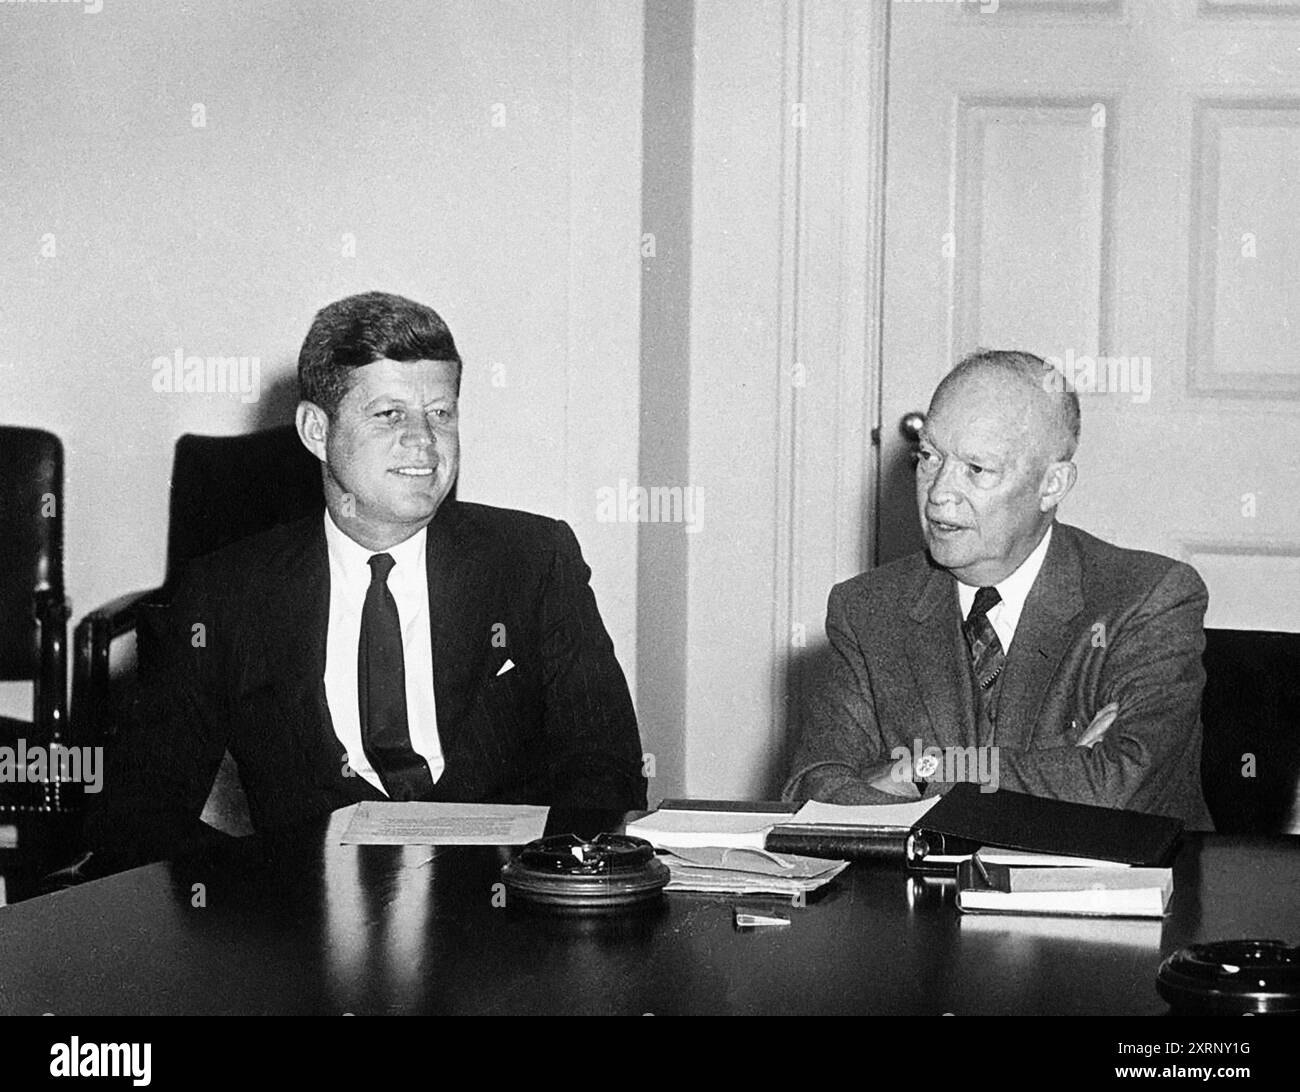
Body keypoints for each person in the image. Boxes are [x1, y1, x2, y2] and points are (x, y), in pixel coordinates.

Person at [87, 291, 646, 869]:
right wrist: (258, 904)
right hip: (305, 920)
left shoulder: (534, 562)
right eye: (389, 414)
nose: (423, 441)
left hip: (498, 909)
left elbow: (605, 772)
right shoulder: (227, 595)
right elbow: (141, 811)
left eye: (441, 413)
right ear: (314, 430)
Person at [783, 349, 1213, 828]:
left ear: (1052, 486)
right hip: (927, 899)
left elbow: (1118, 788)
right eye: (929, 457)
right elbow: (815, 795)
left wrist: (924, 769)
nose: (939, 492)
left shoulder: (1149, 598)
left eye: (976, 469)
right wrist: (1058, 771)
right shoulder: (867, 609)